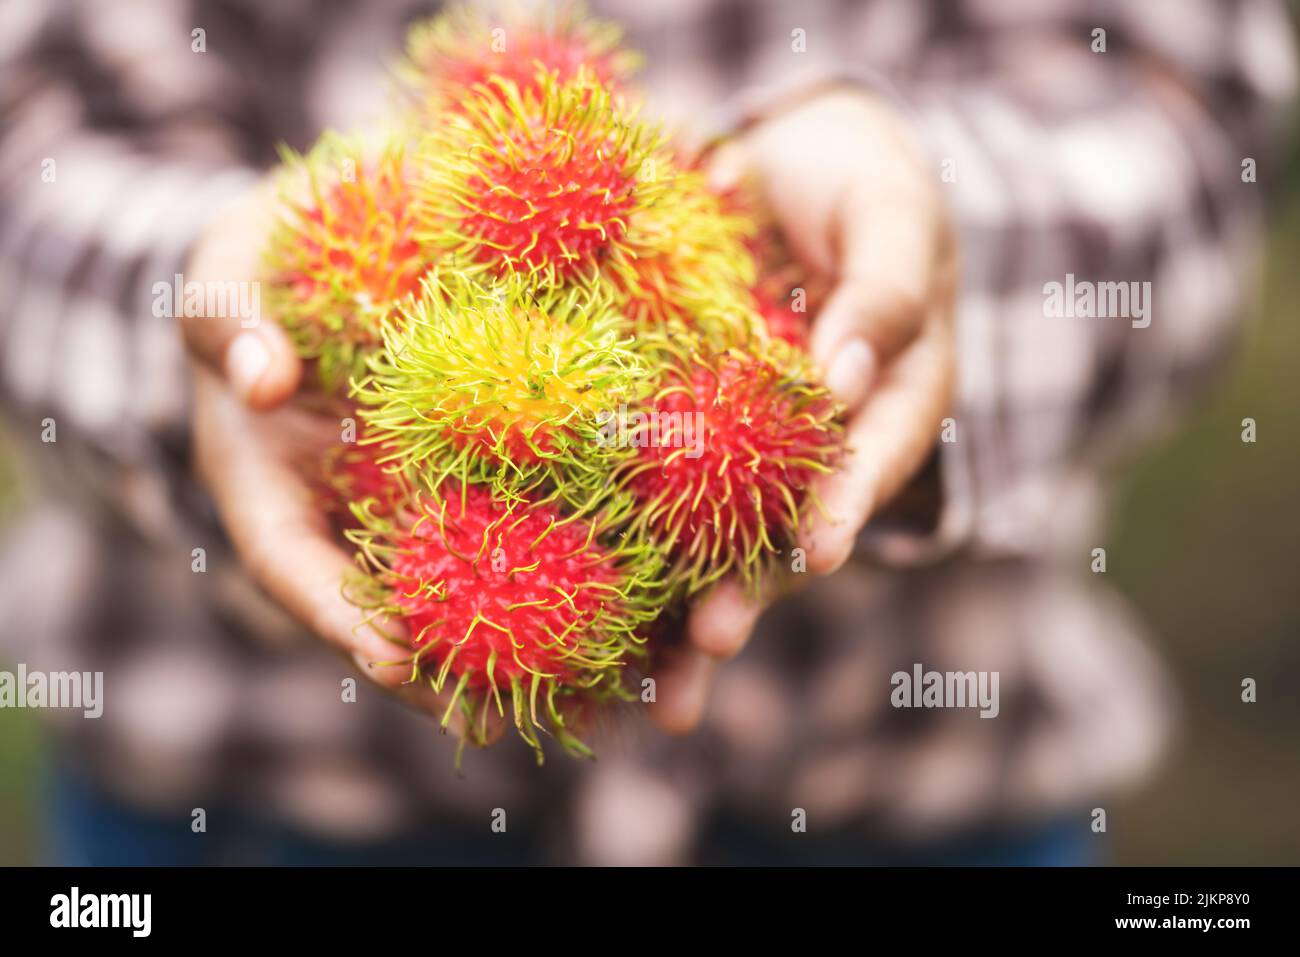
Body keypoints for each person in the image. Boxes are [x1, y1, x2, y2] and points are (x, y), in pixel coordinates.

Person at [0, 0, 1293, 865]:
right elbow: (29, 145)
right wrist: (204, 296)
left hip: (929, 813)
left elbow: (1187, 126)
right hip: (227, 816)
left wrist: (925, 249)